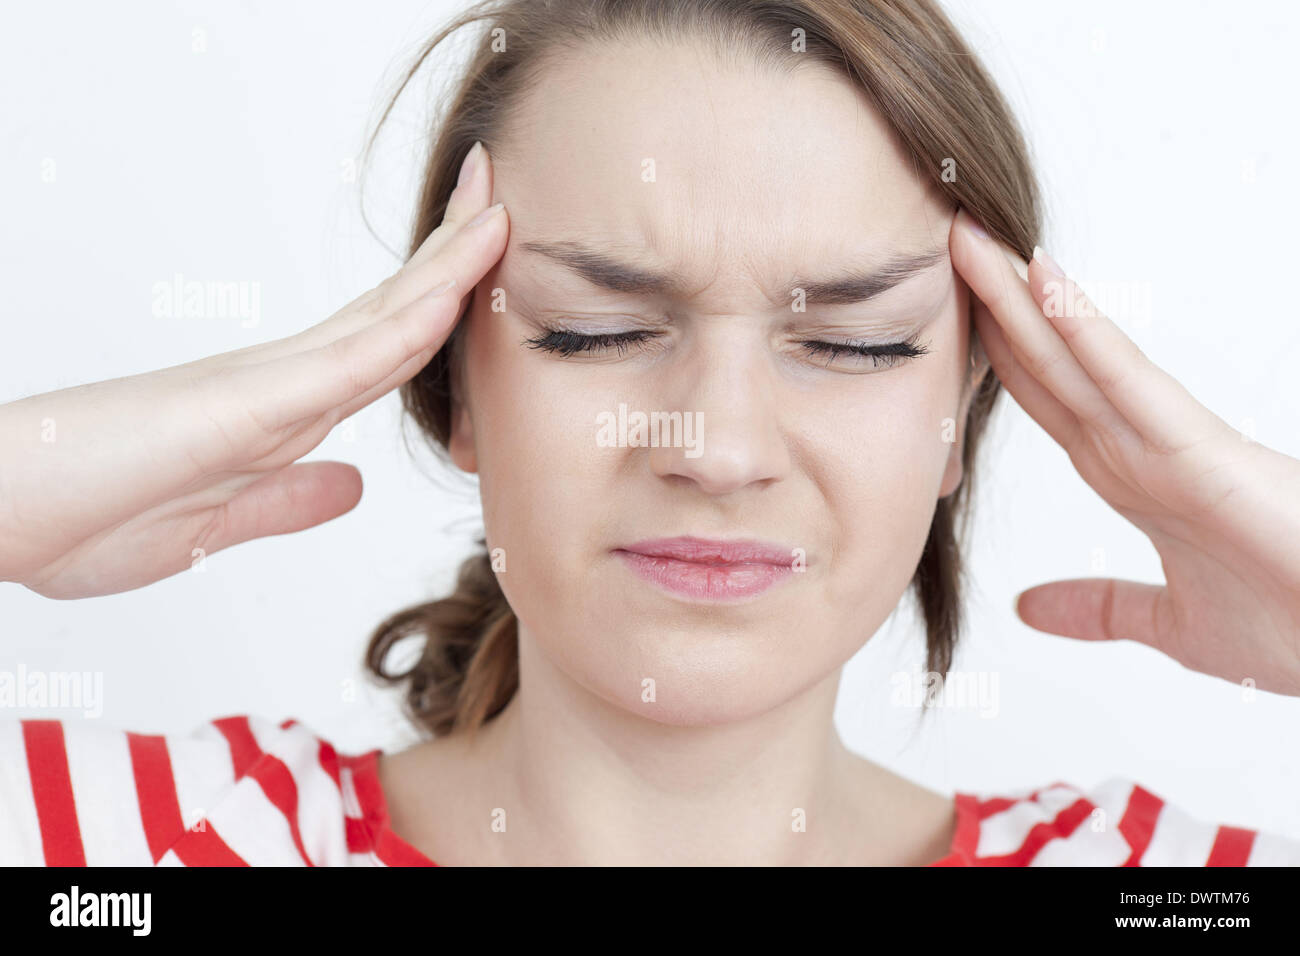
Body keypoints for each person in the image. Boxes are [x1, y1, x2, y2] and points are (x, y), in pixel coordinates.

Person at [3, 0, 1298, 866]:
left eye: (850, 345)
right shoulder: (135, 846)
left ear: (961, 419)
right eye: (593, 331)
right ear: (451, 380)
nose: (719, 447)